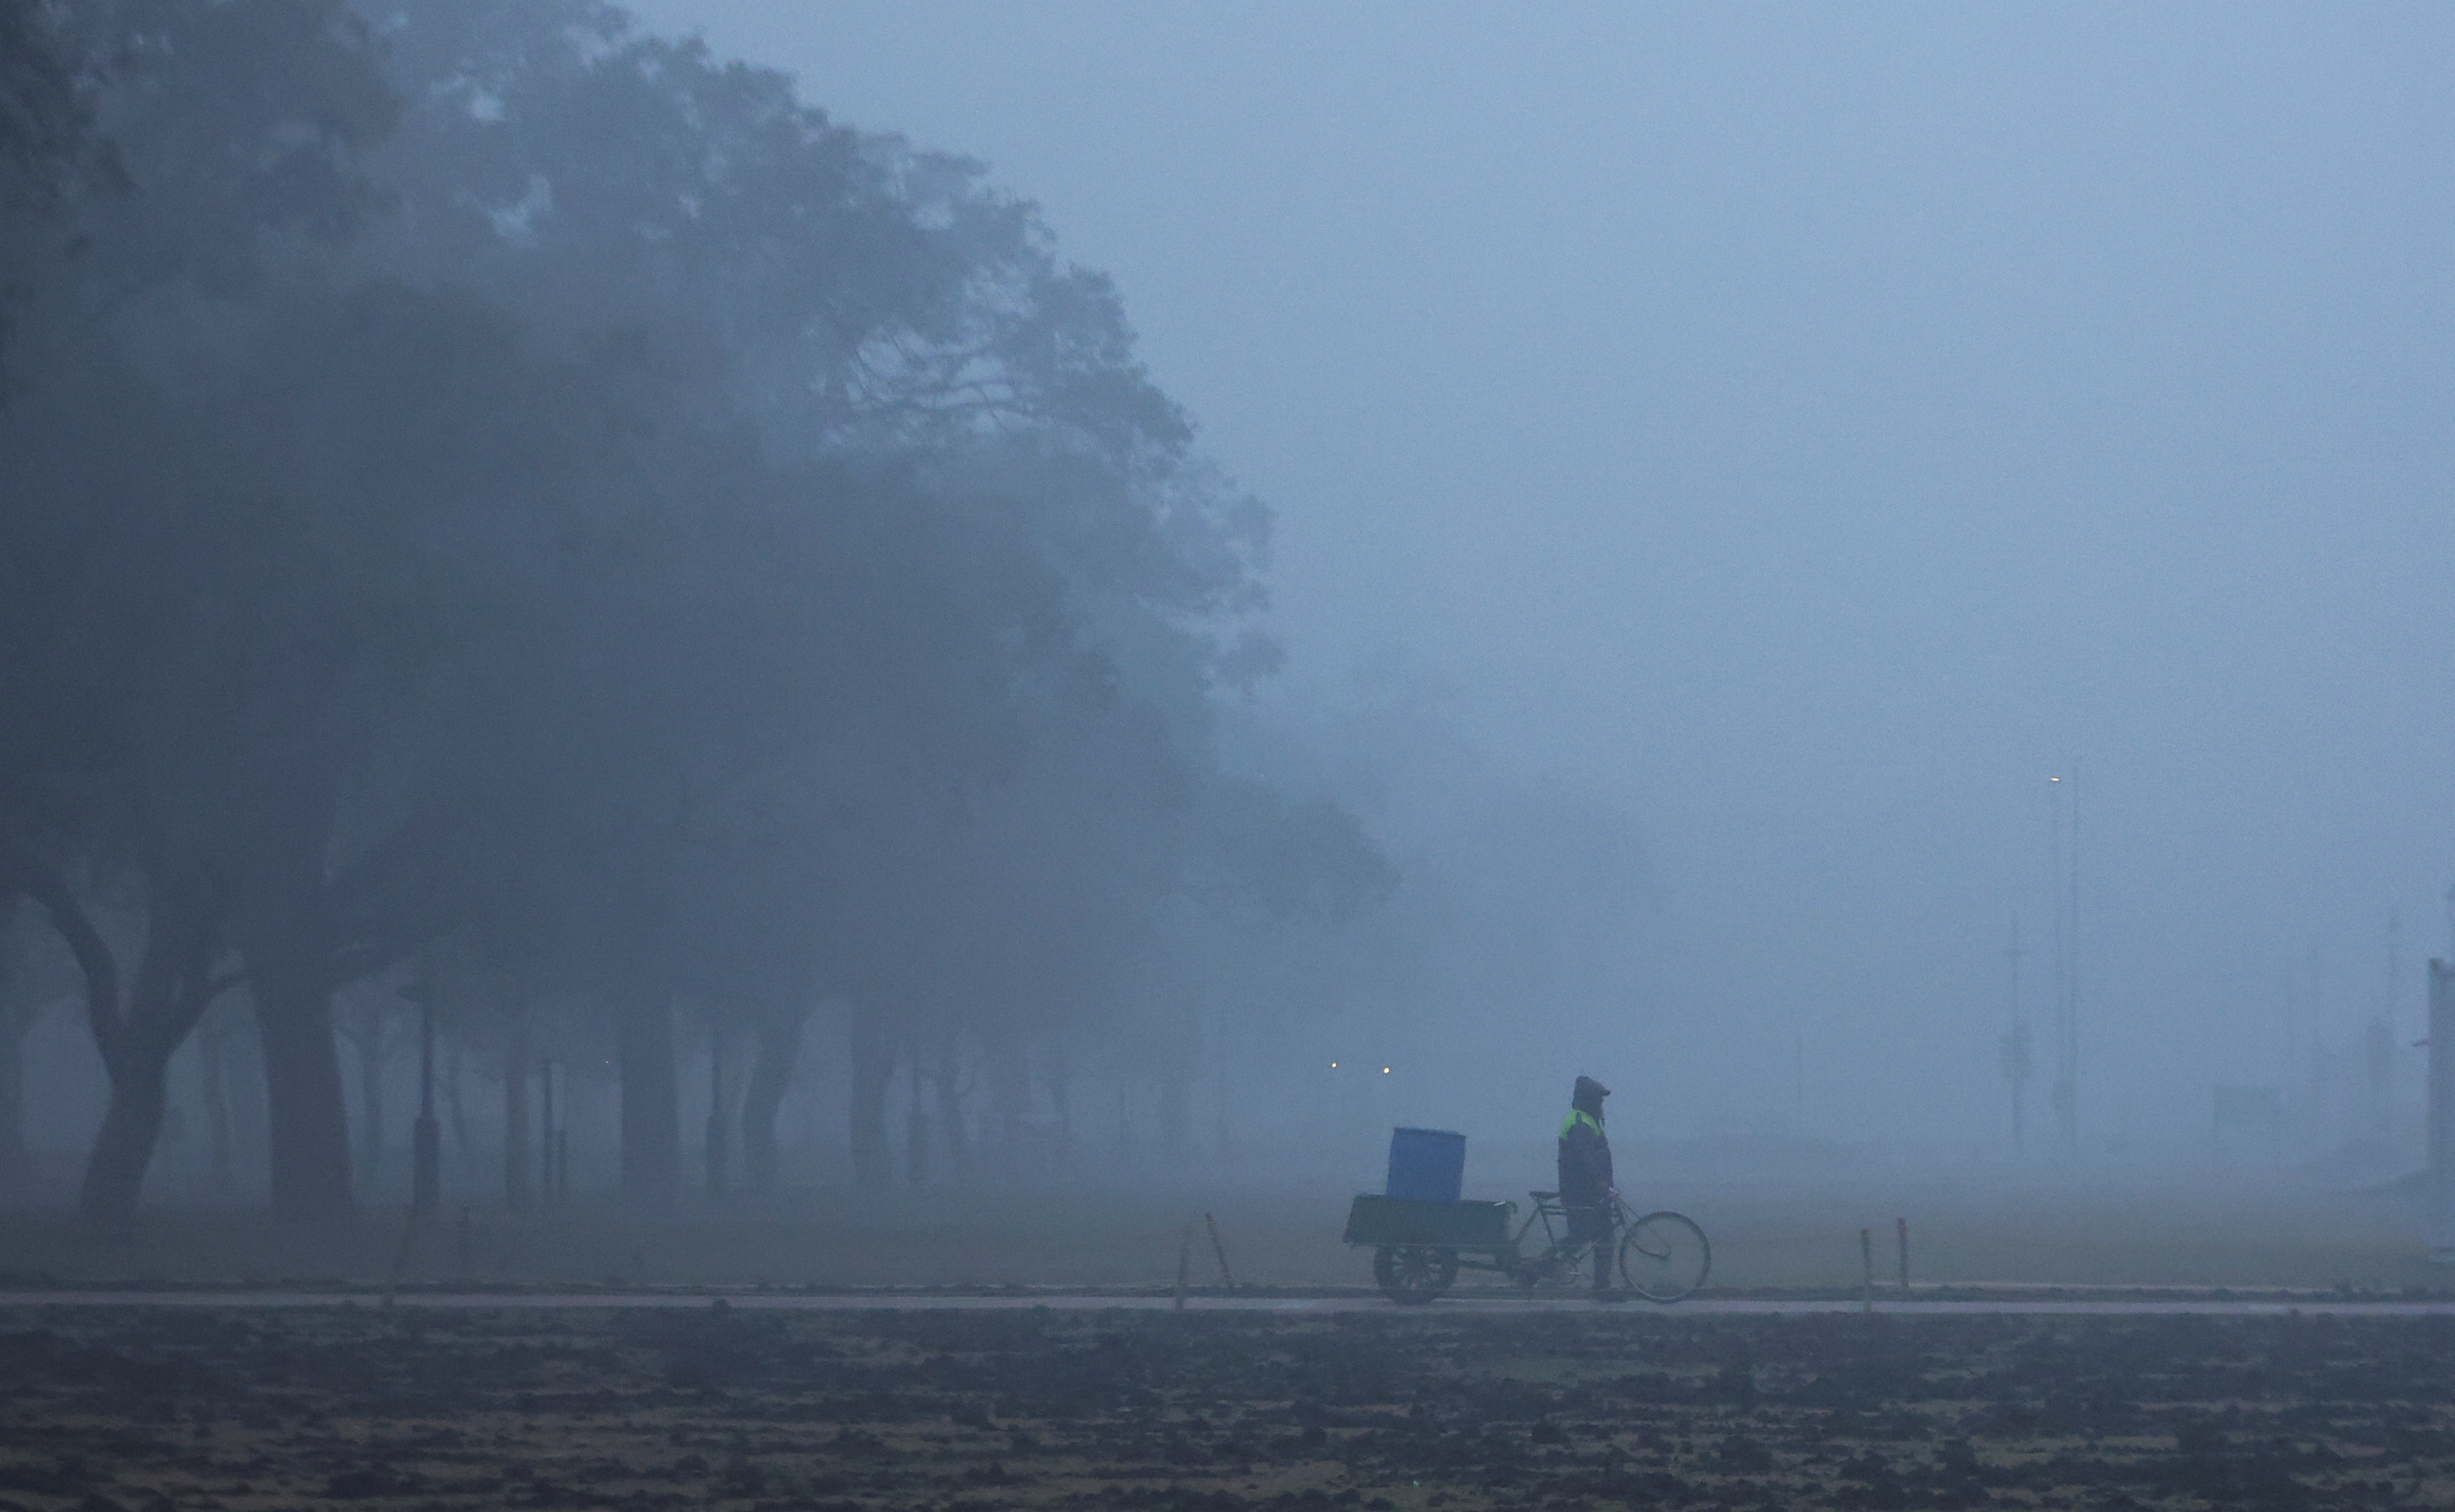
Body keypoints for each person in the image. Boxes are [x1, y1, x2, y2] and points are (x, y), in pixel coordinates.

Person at [1557, 1075, 1617, 1296]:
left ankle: (1601, 1285)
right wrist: (1600, 1183)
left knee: (1587, 1236)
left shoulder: (1587, 1120)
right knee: (1592, 1236)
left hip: (1588, 1190)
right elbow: (1586, 1158)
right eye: (1598, 1100)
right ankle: (1601, 1288)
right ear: (1588, 1101)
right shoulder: (1580, 1123)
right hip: (1583, 1192)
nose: (1602, 1105)